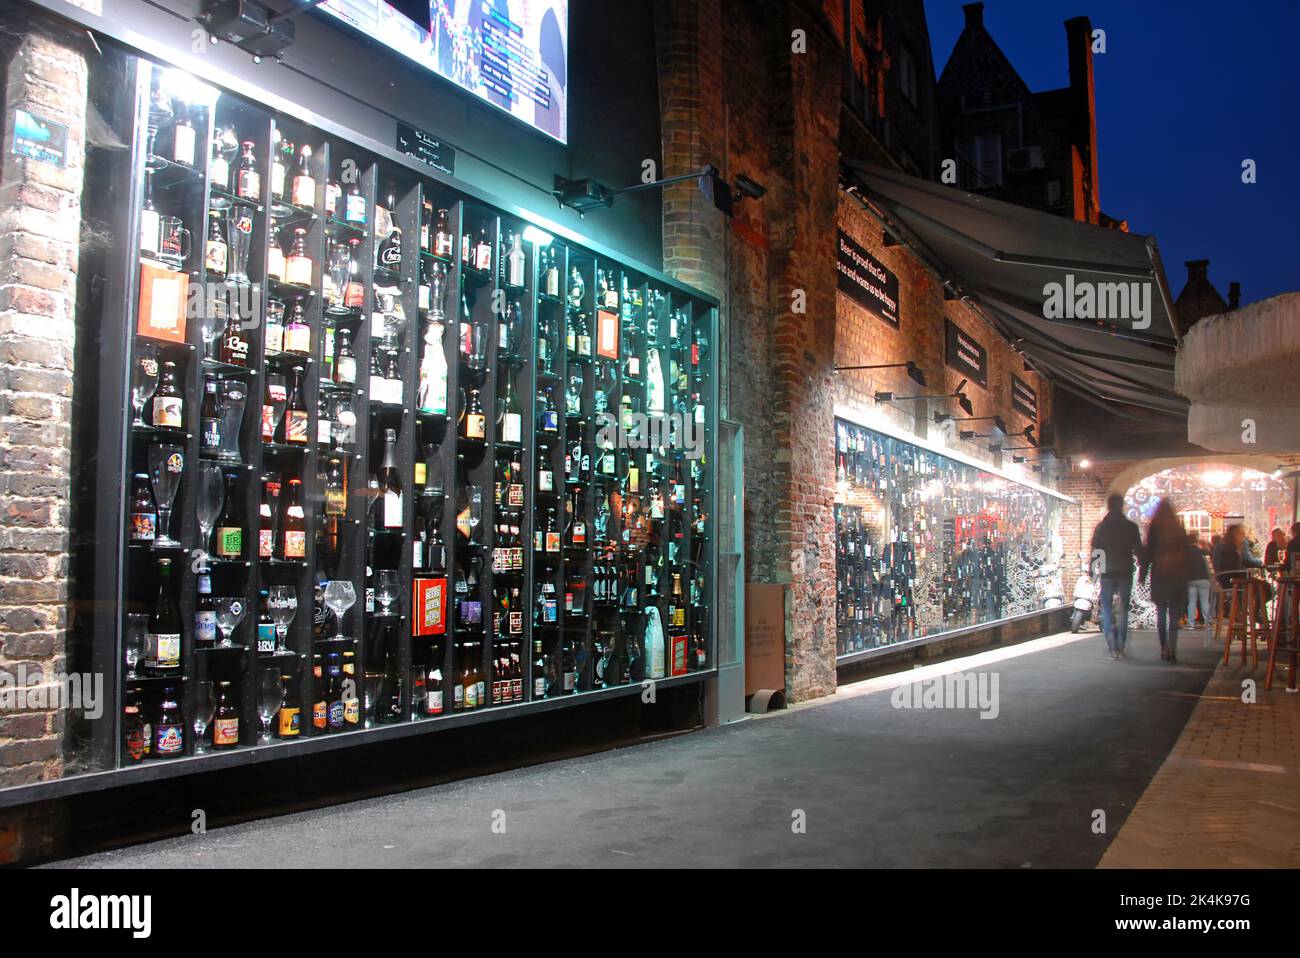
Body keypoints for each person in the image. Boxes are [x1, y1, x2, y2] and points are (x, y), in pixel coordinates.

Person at [1090, 494, 1143, 660]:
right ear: (1122, 506)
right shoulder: (1131, 527)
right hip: (1125, 570)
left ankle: (1112, 647)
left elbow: (1096, 550)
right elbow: (1139, 549)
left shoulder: (1101, 527)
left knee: (1106, 609)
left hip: (1107, 571)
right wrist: (1143, 569)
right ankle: (1121, 644)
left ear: (1109, 506)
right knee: (1123, 611)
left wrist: (1092, 572)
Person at [1141, 499, 1191, 662]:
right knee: (1175, 613)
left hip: (1160, 575)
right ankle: (1173, 647)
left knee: (1161, 613)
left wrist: (1143, 573)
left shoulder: (1154, 528)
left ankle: (1163, 646)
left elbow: (1148, 552)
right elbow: (1187, 552)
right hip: (1177, 576)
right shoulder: (1178, 528)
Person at [1185, 535, 1212, 629]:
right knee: (1205, 601)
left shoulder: (1185, 553)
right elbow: (1210, 565)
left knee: (1191, 601)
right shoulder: (1204, 552)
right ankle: (1208, 622)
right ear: (1196, 542)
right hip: (1204, 579)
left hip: (1190, 580)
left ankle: (1190, 622)